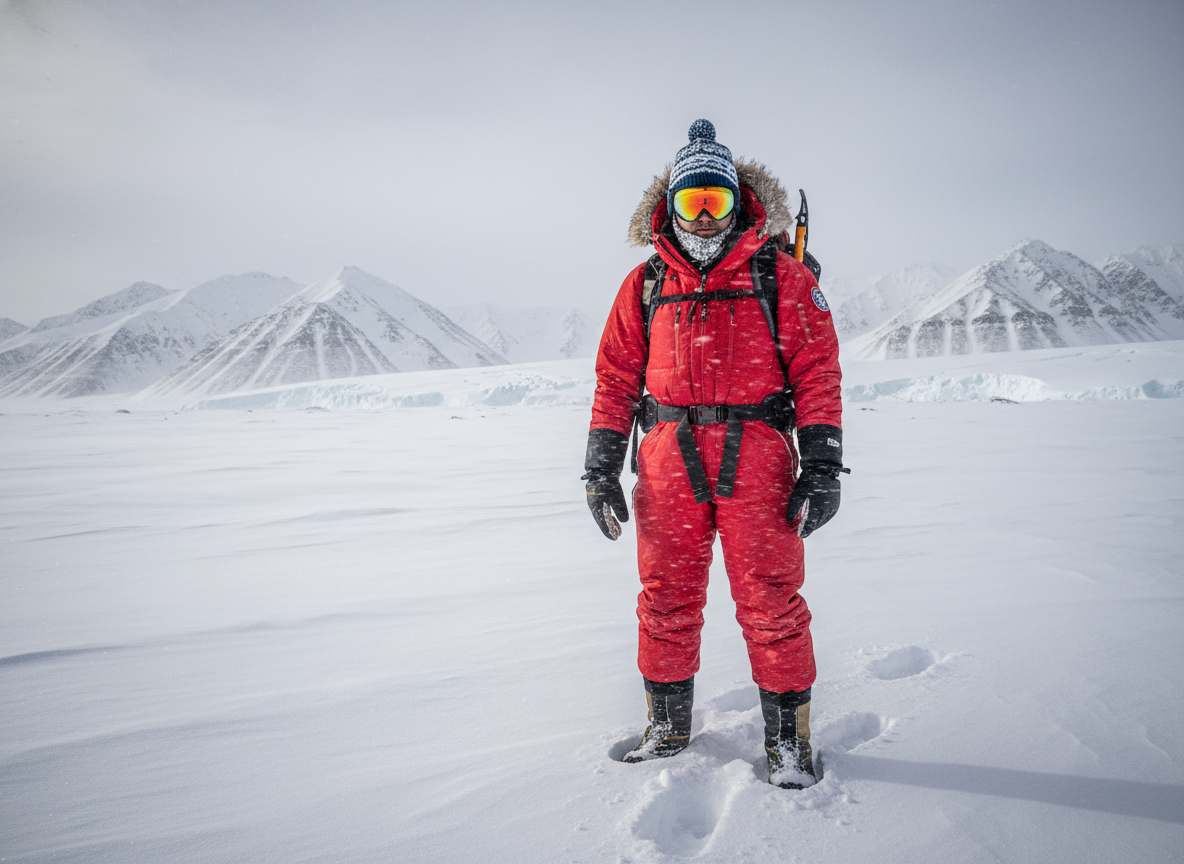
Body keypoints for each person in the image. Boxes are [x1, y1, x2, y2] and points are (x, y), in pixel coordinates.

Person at [582, 120, 844, 789]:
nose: (703, 220)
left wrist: (821, 462)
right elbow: (615, 378)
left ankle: (789, 742)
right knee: (664, 599)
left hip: (757, 460)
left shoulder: (779, 278)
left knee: (772, 602)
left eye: (716, 203)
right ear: (667, 208)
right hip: (668, 464)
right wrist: (600, 465)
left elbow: (817, 372)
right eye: (691, 203)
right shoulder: (643, 287)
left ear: (739, 203)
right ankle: (667, 729)